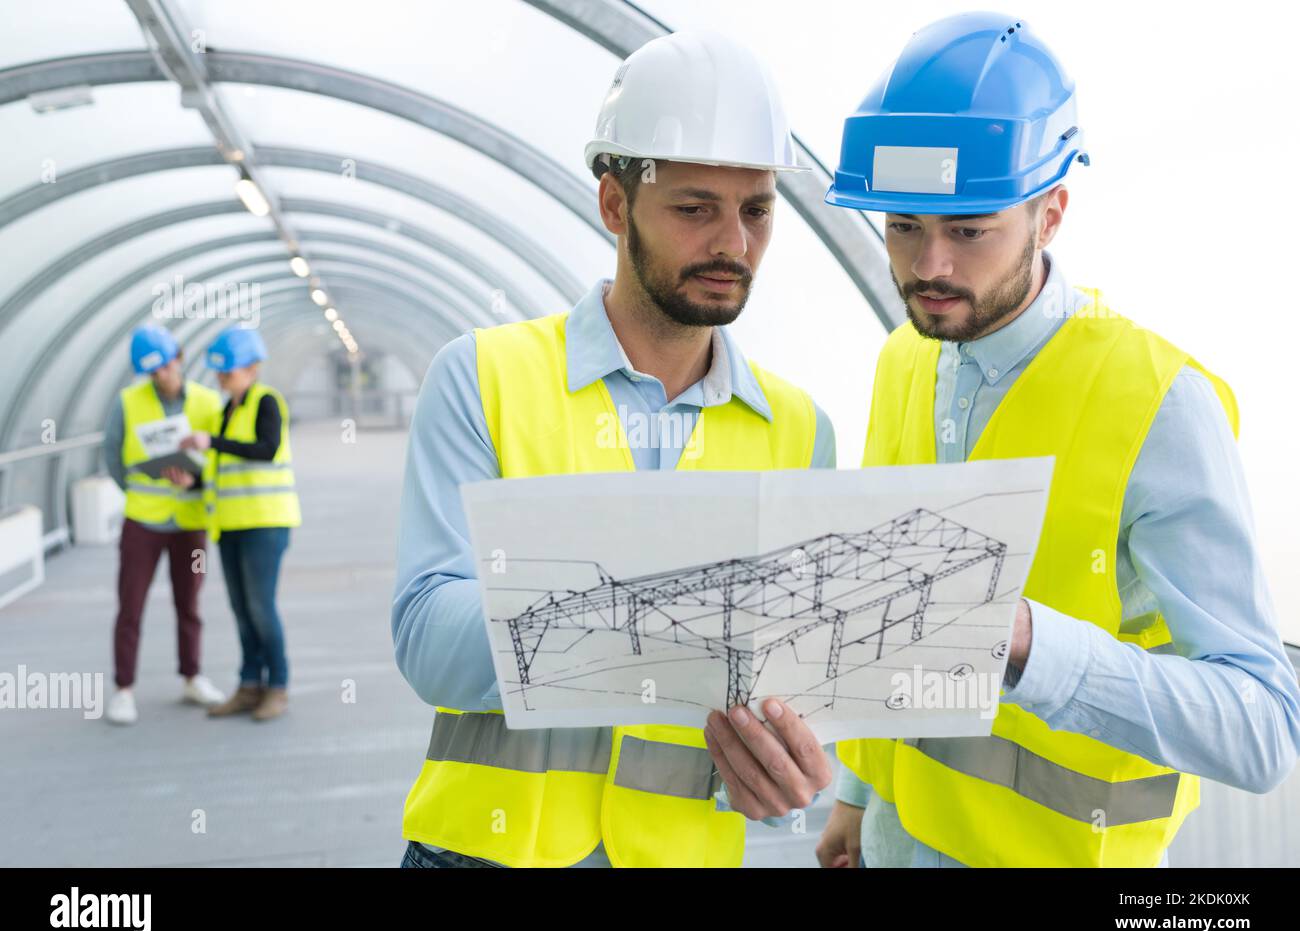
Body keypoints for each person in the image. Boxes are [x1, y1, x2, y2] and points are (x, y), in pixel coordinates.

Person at [814, 11, 1300, 867]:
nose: (929, 267)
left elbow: (1262, 726)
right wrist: (858, 795)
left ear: (1053, 212)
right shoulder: (904, 359)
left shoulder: (1159, 402)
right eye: (902, 226)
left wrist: (1031, 642)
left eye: (968, 230)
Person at [393, 30, 834, 869]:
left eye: (756, 210)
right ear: (613, 203)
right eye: (694, 208)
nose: (734, 246)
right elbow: (429, 642)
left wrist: (792, 768)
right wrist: (651, 608)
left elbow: (794, 682)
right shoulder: (483, 377)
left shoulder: (799, 429)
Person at [176, 325, 301, 722]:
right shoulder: (223, 411)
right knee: (241, 609)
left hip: (265, 524)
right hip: (229, 526)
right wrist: (191, 480)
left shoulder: (267, 402)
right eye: (219, 373)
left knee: (262, 607)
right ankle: (249, 685)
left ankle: (277, 686)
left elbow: (266, 450)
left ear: (251, 368)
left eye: (227, 373)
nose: (221, 379)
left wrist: (211, 442)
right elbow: (222, 469)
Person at [103, 325, 227, 725]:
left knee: (189, 602)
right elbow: (114, 457)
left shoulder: (209, 402)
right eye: (153, 373)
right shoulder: (127, 402)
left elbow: (221, 458)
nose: (162, 377)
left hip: (190, 522)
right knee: (131, 605)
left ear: (179, 357)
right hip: (143, 521)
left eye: (166, 367)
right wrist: (144, 485)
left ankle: (192, 676)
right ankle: (123, 689)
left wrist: (197, 480)